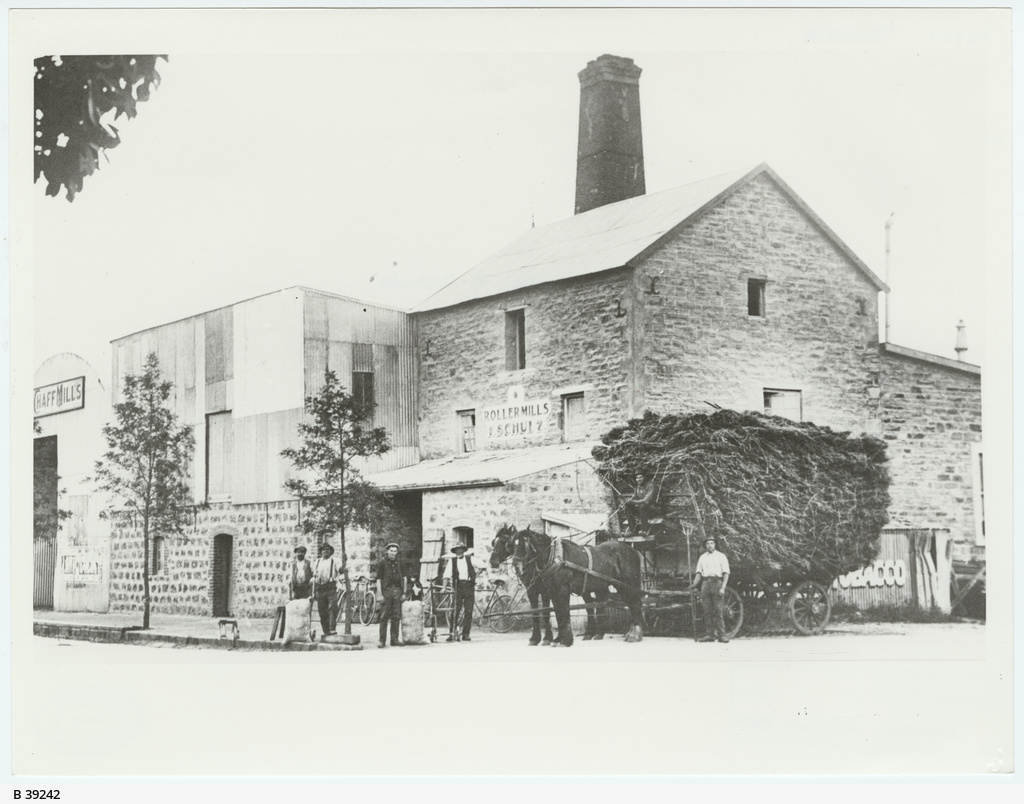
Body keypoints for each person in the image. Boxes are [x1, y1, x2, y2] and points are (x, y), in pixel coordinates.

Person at [691, 535, 731, 643]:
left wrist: (723, 587)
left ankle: (722, 635)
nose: (710, 545)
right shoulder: (702, 557)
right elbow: (699, 573)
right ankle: (709, 635)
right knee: (706, 610)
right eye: (708, 543)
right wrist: (694, 584)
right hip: (705, 583)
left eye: (712, 543)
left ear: (715, 544)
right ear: (705, 546)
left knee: (718, 610)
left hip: (717, 582)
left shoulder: (721, 556)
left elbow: (726, 573)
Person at [440, 542, 477, 641]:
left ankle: (465, 634)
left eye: (460, 550)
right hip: (458, 587)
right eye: (457, 550)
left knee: (468, 611)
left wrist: (474, 576)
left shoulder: (471, 559)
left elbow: (483, 566)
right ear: (455, 552)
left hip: (469, 587)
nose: (459, 551)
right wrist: (444, 587)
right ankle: (451, 633)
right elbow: (446, 575)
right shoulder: (452, 561)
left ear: (464, 551)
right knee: (455, 610)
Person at [375, 542, 406, 648]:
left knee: (396, 616)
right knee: (384, 617)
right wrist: (379, 594)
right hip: (386, 591)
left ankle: (394, 639)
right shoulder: (382, 563)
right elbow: (378, 579)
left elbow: (404, 578)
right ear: (387, 551)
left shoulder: (400, 563)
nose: (393, 553)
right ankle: (382, 640)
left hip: (397, 591)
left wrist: (404, 592)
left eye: (395, 551)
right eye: (391, 551)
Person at [312, 542, 340, 637]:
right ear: (321, 552)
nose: (325, 551)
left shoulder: (335, 561)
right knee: (322, 610)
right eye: (323, 550)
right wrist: (314, 591)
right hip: (320, 588)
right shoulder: (317, 562)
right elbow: (314, 576)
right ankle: (326, 630)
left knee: (333, 608)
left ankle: (332, 628)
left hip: (330, 587)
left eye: (327, 549)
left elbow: (340, 570)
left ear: (331, 551)